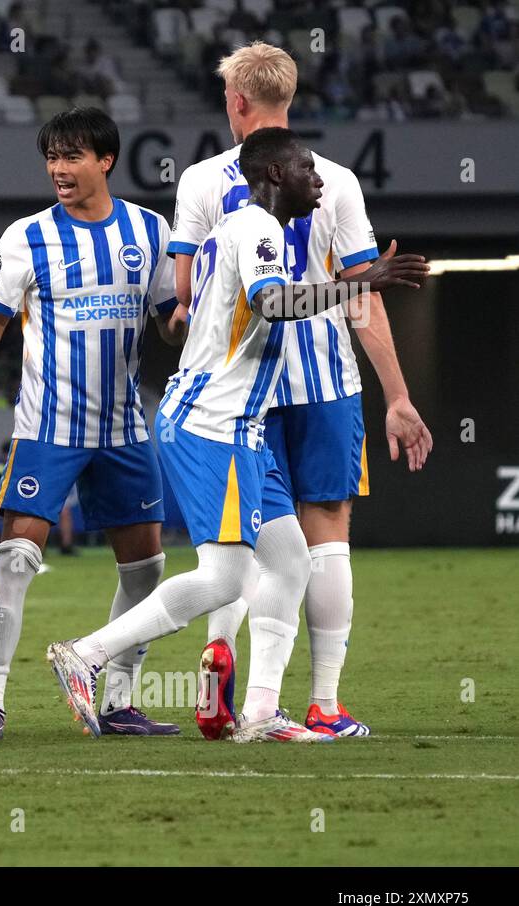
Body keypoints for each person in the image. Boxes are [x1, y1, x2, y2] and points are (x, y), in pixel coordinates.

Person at [46, 126, 429, 743]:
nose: (319, 180)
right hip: (210, 425)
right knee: (225, 577)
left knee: (291, 562)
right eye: (307, 169)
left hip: (239, 428)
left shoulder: (256, 230)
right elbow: (274, 302)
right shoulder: (256, 228)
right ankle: (85, 655)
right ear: (276, 175)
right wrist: (365, 279)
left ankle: (258, 713)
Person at [167, 43, 433, 739]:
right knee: (325, 541)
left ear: (235, 101)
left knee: (246, 545)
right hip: (321, 383)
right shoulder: (333, 178)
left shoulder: (200, 181)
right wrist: (398, 396)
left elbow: (189, 298)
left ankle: (220, 650)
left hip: (237, 389)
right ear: (291, 96)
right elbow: (363, 299)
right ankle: (320, 702)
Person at [0, 107, 179, 741]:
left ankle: (120, 700)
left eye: (72, 156)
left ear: (105, 160)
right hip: (47, 427)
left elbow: (169, 320)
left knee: (146, 569)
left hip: (125, 429)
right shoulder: (27, 236)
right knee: (16, 557)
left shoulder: (149, 230)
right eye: (52, 156)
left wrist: (211, 317)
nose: (59, 168)